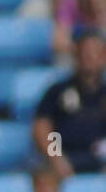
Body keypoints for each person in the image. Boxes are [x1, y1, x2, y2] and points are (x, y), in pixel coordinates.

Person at [33, 28, 106, 176]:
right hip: (64, 159)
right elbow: (42, 127)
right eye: (84, 53)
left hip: (100, 160)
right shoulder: (57, 91)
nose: (88, 58)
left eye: (93, 53)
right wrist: (56, 157)